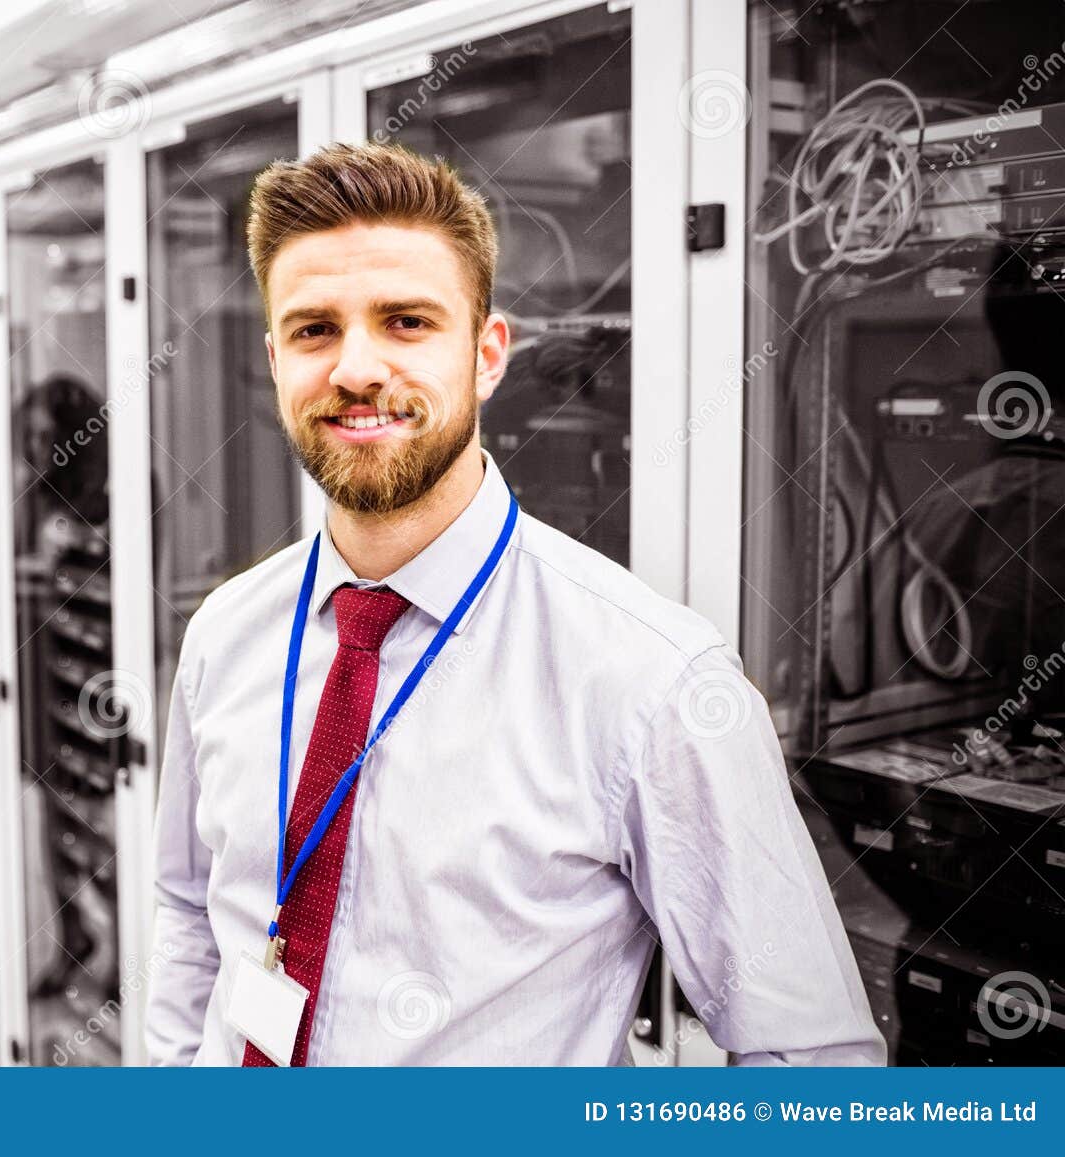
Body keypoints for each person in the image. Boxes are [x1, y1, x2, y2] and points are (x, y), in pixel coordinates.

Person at [143, 141, 886, 1066]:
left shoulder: (651, 679)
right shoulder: (226, 632)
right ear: (275, 359)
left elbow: (807, 1054)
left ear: (488, 354)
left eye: (407, 321)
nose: (357, 369)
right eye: (314, 330)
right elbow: (188, 906)